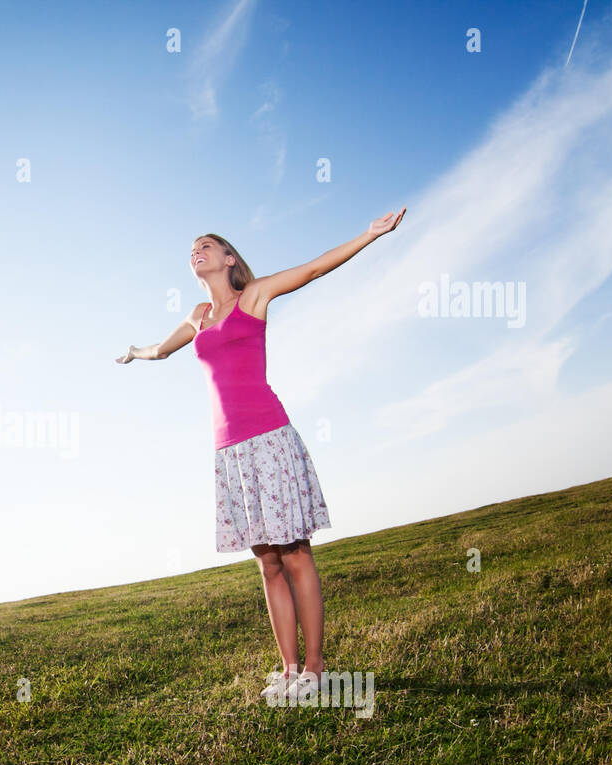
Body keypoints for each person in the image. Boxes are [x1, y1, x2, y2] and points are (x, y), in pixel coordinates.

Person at [115, 209, 406, 703]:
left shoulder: (255, 296)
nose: (197, 250)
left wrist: (370, 235)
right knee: (267, 562)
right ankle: (290, 669)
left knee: (294, 554)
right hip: (230, 452)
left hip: (269, 437)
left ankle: (316, 667)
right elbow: (162, 351)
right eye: (192, 247)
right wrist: (134, 351)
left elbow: (314, 269)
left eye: (207, 244)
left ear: (229, 259)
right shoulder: (197, 316)